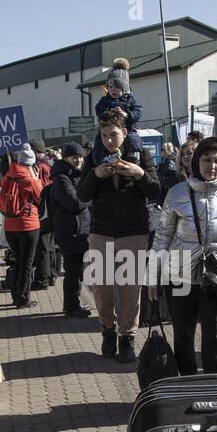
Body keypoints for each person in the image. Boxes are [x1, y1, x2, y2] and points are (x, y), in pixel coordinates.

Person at [149, 137, 217, 374]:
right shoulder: (176, 193)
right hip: (179, 276)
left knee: (216, 336)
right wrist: (152, 277)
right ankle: (187, 384)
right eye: (206, 160)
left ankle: (214, 389)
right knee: (183, 335)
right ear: (196, 161)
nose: (212, 166)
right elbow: (162, 237)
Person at [78, 110, 160, 362]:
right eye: (104, 135)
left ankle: (127, 338)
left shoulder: (141, 155)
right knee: (100, 289)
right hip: (101, 232)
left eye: (113, 135)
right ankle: (108, 330)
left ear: (124, 133)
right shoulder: (93, 159)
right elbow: (82, 195)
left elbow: (155, 191)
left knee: (129, 290)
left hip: (132, 232)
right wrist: (95, 175)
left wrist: (139, 174)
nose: (109, 140)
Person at [0, 143, 44, 308]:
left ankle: (15, 294)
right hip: (28, 225)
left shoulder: (6, 177)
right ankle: (22, 298)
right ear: (31, 163)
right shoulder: (30, 180)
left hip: (10, 225)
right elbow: (40, 198)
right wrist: (37, 178)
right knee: (27, 263)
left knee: (18, 260)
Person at [50, 143, 93, 318]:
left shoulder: (78, 175)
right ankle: (71, 306)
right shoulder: (61, 178)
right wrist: (89, 197)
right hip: (69, 232)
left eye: (81, 156)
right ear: (66, 158)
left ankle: (74, 303)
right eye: (74, 156)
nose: (78, 159)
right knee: (73, 272)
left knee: (79, 270)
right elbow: (74, 203)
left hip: (81, 230)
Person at [29, 139, 56, 290]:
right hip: (51, 210)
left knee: (43, 246)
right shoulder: (50, 164)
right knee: (50, 245)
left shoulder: (40, 167)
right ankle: (51, 274)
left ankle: (43, 279)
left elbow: (40, 190)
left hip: (43, 210)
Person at [94, 57, 142, 134]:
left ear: (124, 89)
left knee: (134, 140)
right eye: (110, 87)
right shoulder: (104, 100)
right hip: (108, 129)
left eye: (117, 87)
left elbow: (138, 112)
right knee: (100, 140)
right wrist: (109, 113)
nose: (113, 89)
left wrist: (126, 115)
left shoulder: (130, 99)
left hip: (127, 129)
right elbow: (99, 111)